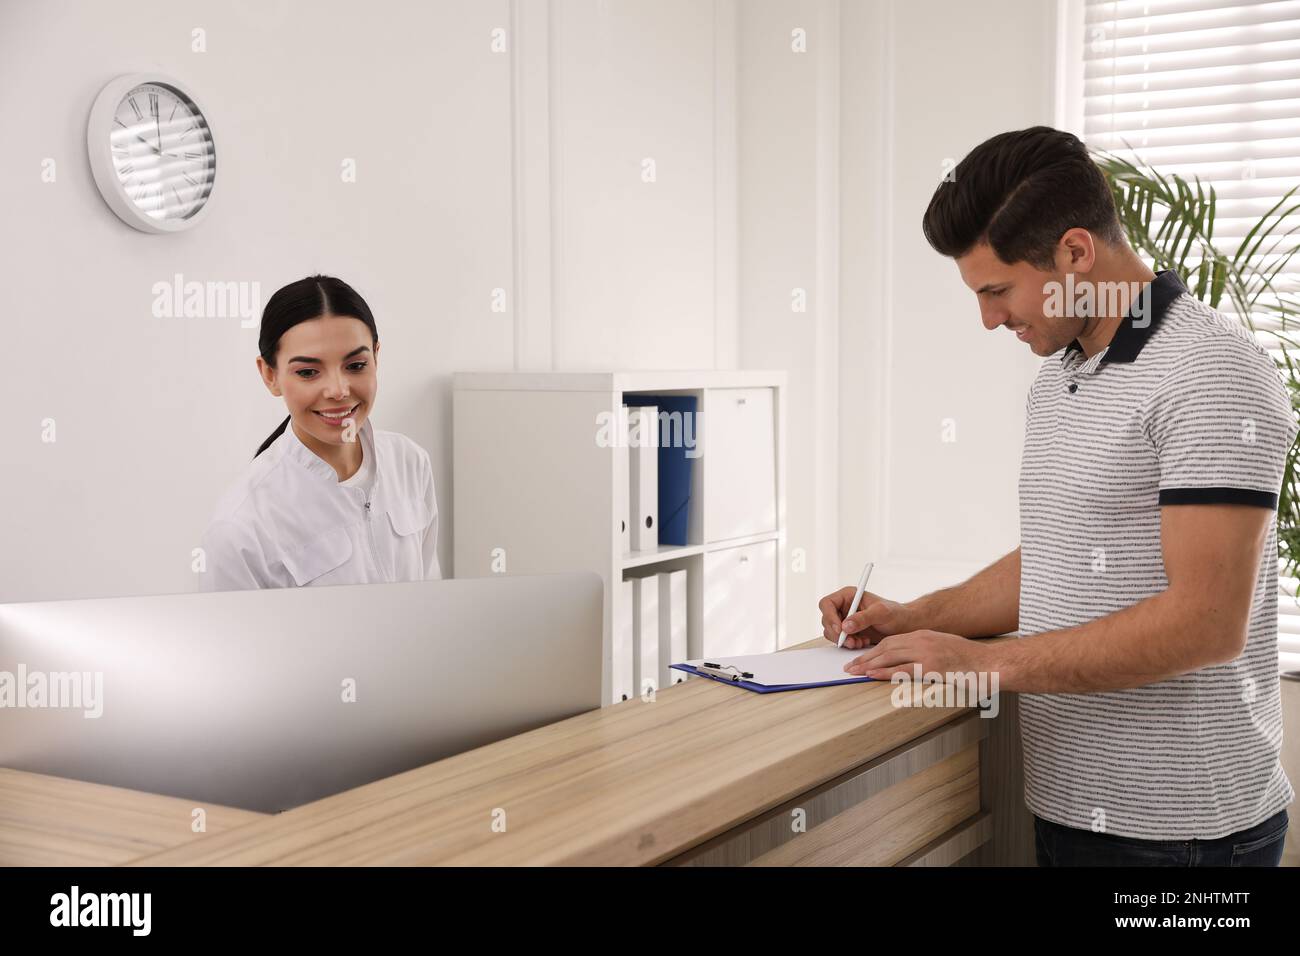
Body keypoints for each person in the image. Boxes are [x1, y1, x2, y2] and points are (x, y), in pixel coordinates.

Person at [820, 126, 1296, 866]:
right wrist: (911, 620)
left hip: (1184, 837)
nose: (988, 319)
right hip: (1075, 807)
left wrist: (983, 665)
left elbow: (1206, 622)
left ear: (1076, 253)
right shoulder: (1063, 372)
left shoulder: (1210, 375)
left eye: (997, 290)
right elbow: (1061, 554)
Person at [200, 274, 441, 591]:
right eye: (308, 372)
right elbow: (233, 640)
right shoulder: (241, 527)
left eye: (355, 365)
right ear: (270, 375)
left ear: (376, 357)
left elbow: (432, 601)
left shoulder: (410, 463)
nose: (338, 391)